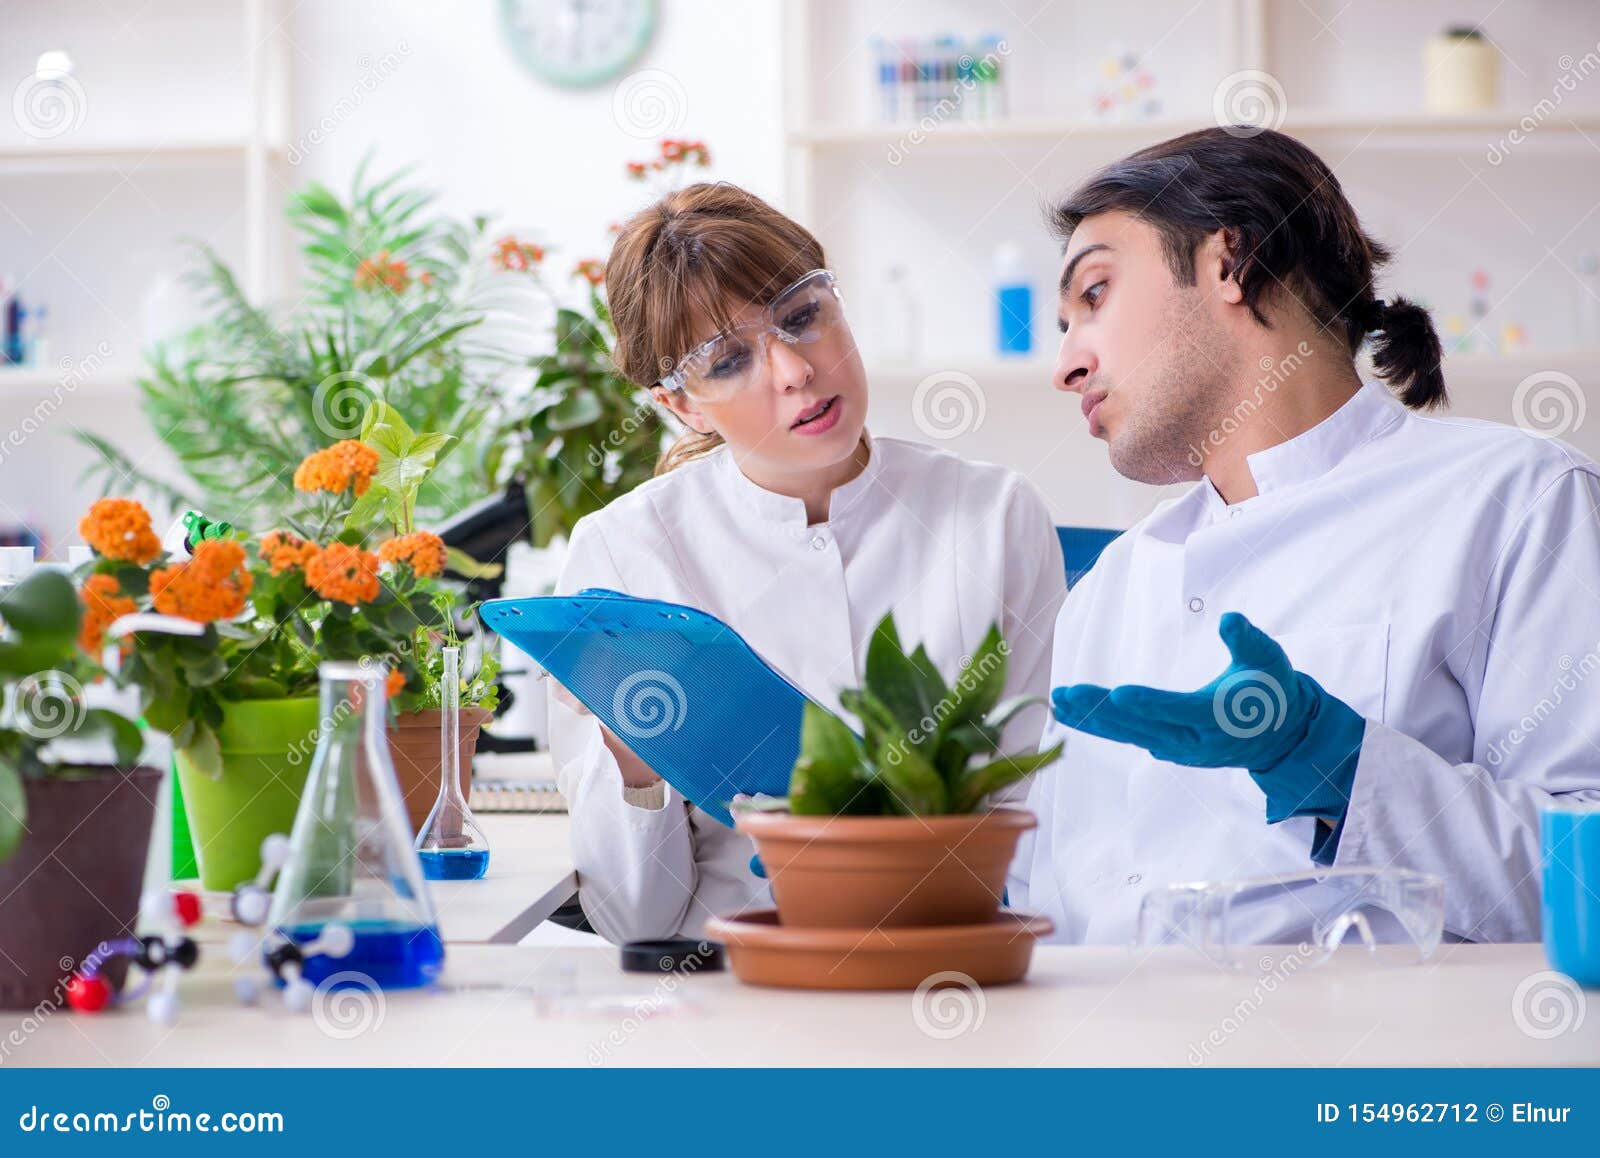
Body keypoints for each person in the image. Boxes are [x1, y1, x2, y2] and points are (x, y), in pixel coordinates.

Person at [1012, 127, 1600, 944]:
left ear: (1231, 262)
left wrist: (1339, 766)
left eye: (1096, 295)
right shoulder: (1110, 588)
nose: (1066, 365)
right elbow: (1041, 906)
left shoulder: (1517, 503)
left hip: (1376, 1068)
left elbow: (1585, 879)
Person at [549, 182, 1065, 945]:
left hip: (949, 967)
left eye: (801, 317)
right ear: (681, 405)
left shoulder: (992, 515)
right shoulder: (623, 555)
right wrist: (635, 754)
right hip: (730, 986)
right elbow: (634, 921)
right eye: (728, 361)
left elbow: (1041, 829)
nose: (793, 370)